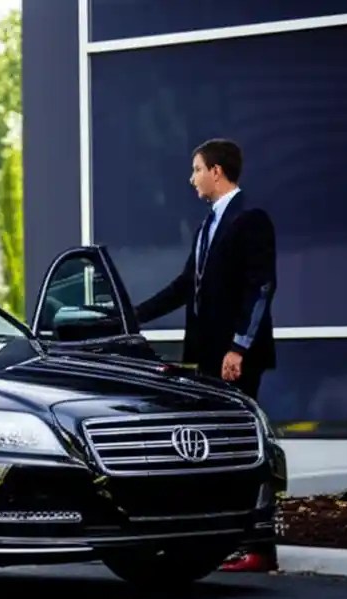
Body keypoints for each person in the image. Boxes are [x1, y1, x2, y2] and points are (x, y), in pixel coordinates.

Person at [135, 138, 278, 573]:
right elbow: (184, 287)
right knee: (211, 452)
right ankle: (221, 541)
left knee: (243, 449)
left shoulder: (250, 218)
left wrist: (239, 346)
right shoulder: (206, 226)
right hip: (205, 359)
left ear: (217, 171)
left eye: (196, 169)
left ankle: (258, 547)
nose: (191, 177)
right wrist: (132, 314)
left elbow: (261, 287)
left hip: (236, 359)